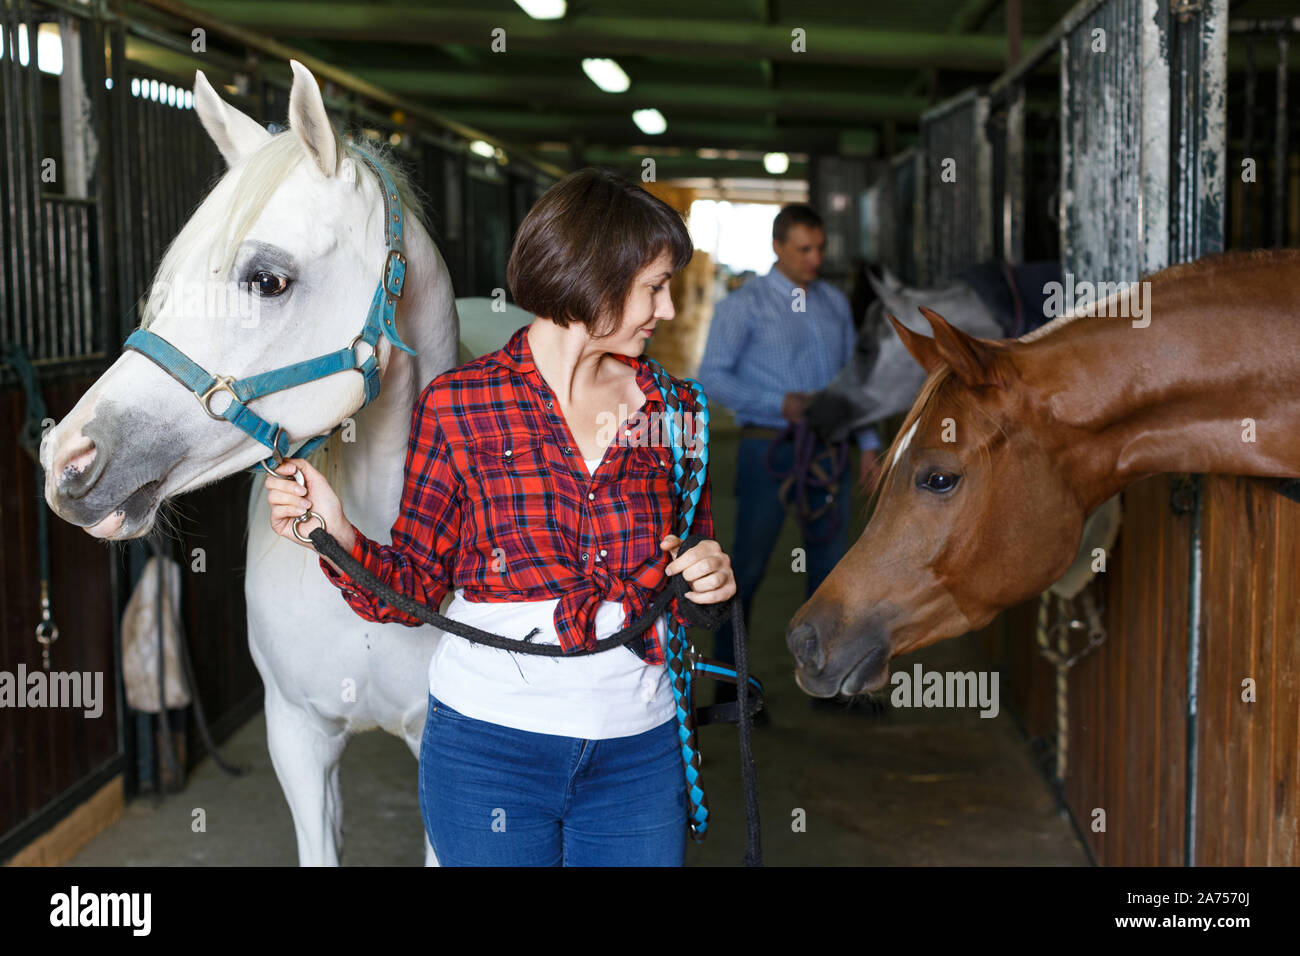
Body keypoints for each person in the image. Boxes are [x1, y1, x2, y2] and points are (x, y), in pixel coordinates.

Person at [264, 168, 736, 867]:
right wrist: (333, 532)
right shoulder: (461, 406)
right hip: (490, 752)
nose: (666, 311)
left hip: (639, 752)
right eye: (654, 288)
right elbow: (416, 586)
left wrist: (708, 578)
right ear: (593, 280)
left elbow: (693, 560)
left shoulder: (676, 410)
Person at [696, 203, 881, 690]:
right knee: (747, 569)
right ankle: (729, 684)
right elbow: (711, 376)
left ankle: (828, 681)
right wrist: (781, 404)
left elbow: (851, 382)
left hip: (829, 453)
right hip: (768, 450)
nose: (815, 259)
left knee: (830, 570)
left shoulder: (834, 304)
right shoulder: (744, 306)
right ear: (777, 247)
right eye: (804, 249)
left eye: (820, 248)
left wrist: (868, 443)